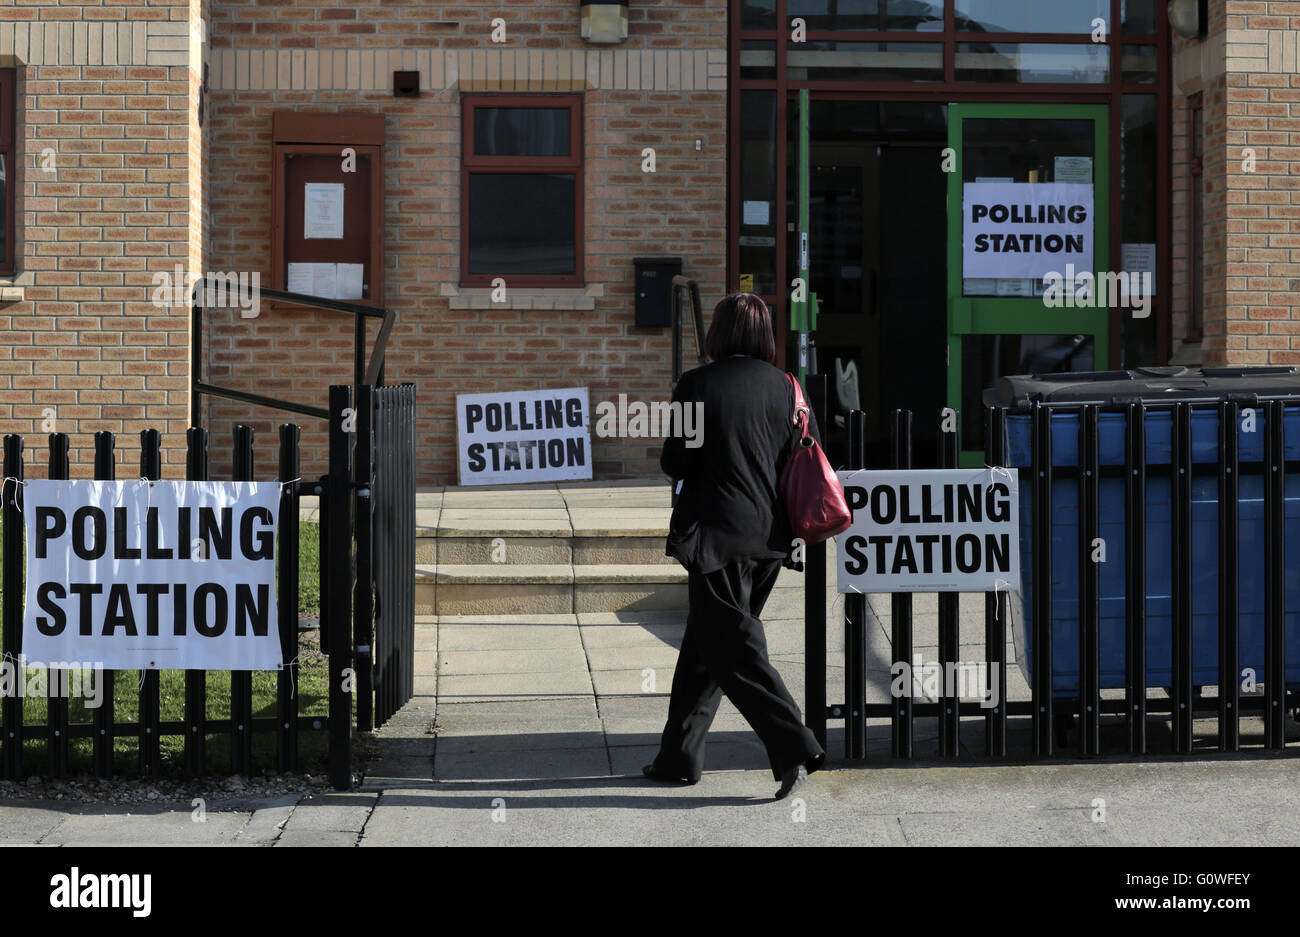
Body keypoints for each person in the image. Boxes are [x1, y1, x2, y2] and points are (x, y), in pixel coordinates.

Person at [644, 292, 827, 800]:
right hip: (770, 539)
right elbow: (802, 455)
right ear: (764, 334)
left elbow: (674, 461)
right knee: (707, 647)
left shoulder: (695, 385)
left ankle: (794, 744)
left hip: (715, 539)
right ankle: (677, 758)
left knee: (733, 650)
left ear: (718, 333)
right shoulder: (788, 387)